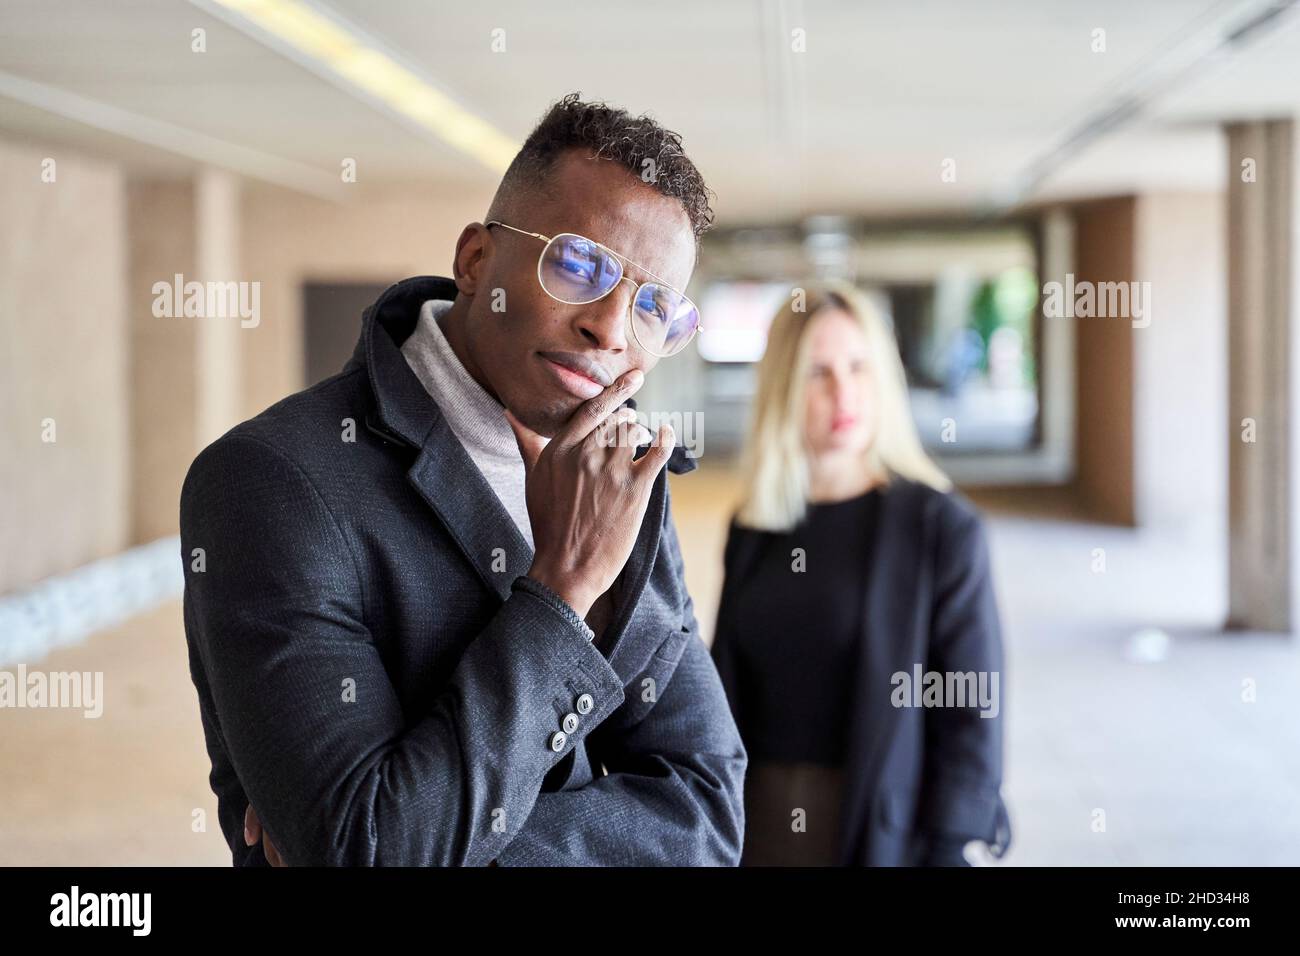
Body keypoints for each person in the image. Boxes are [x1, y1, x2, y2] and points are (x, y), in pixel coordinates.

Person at [181, 93, 746, 866]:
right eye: (580, 264)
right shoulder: (272, 481)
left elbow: (707, 811)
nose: (613, 329)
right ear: (476, 260)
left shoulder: (626, 472)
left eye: (654, 305)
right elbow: (371, 849)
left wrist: (416, 834)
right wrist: (563, 590)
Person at [710, 281, 1011, 866]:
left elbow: (973, 711)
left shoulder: (940, 528)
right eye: (817, 372)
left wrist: (954, 841)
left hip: (878, 832)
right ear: (783, 388)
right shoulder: (753, 528)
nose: (842, 391)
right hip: (754, 828)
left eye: (858, 367)